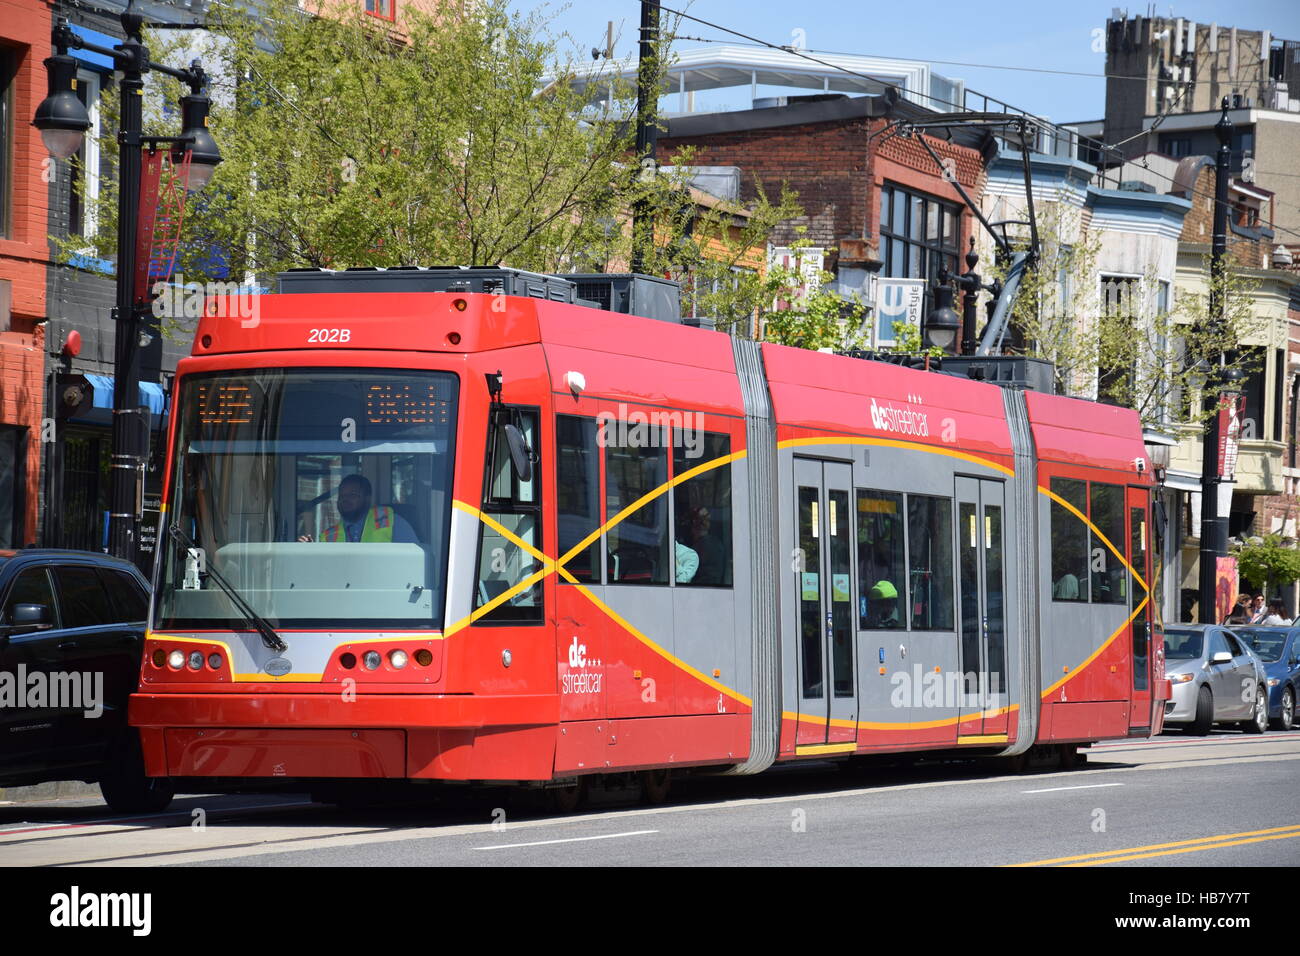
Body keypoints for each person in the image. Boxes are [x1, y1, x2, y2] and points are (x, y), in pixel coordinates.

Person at [300, 474, 419, 543]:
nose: (345, 499)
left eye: (352, 495)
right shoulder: (328, 536)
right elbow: (323, 571)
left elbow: (413, 561)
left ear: (368, 499)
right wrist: (311, 550)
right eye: (342, 496)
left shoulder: (392, 522)